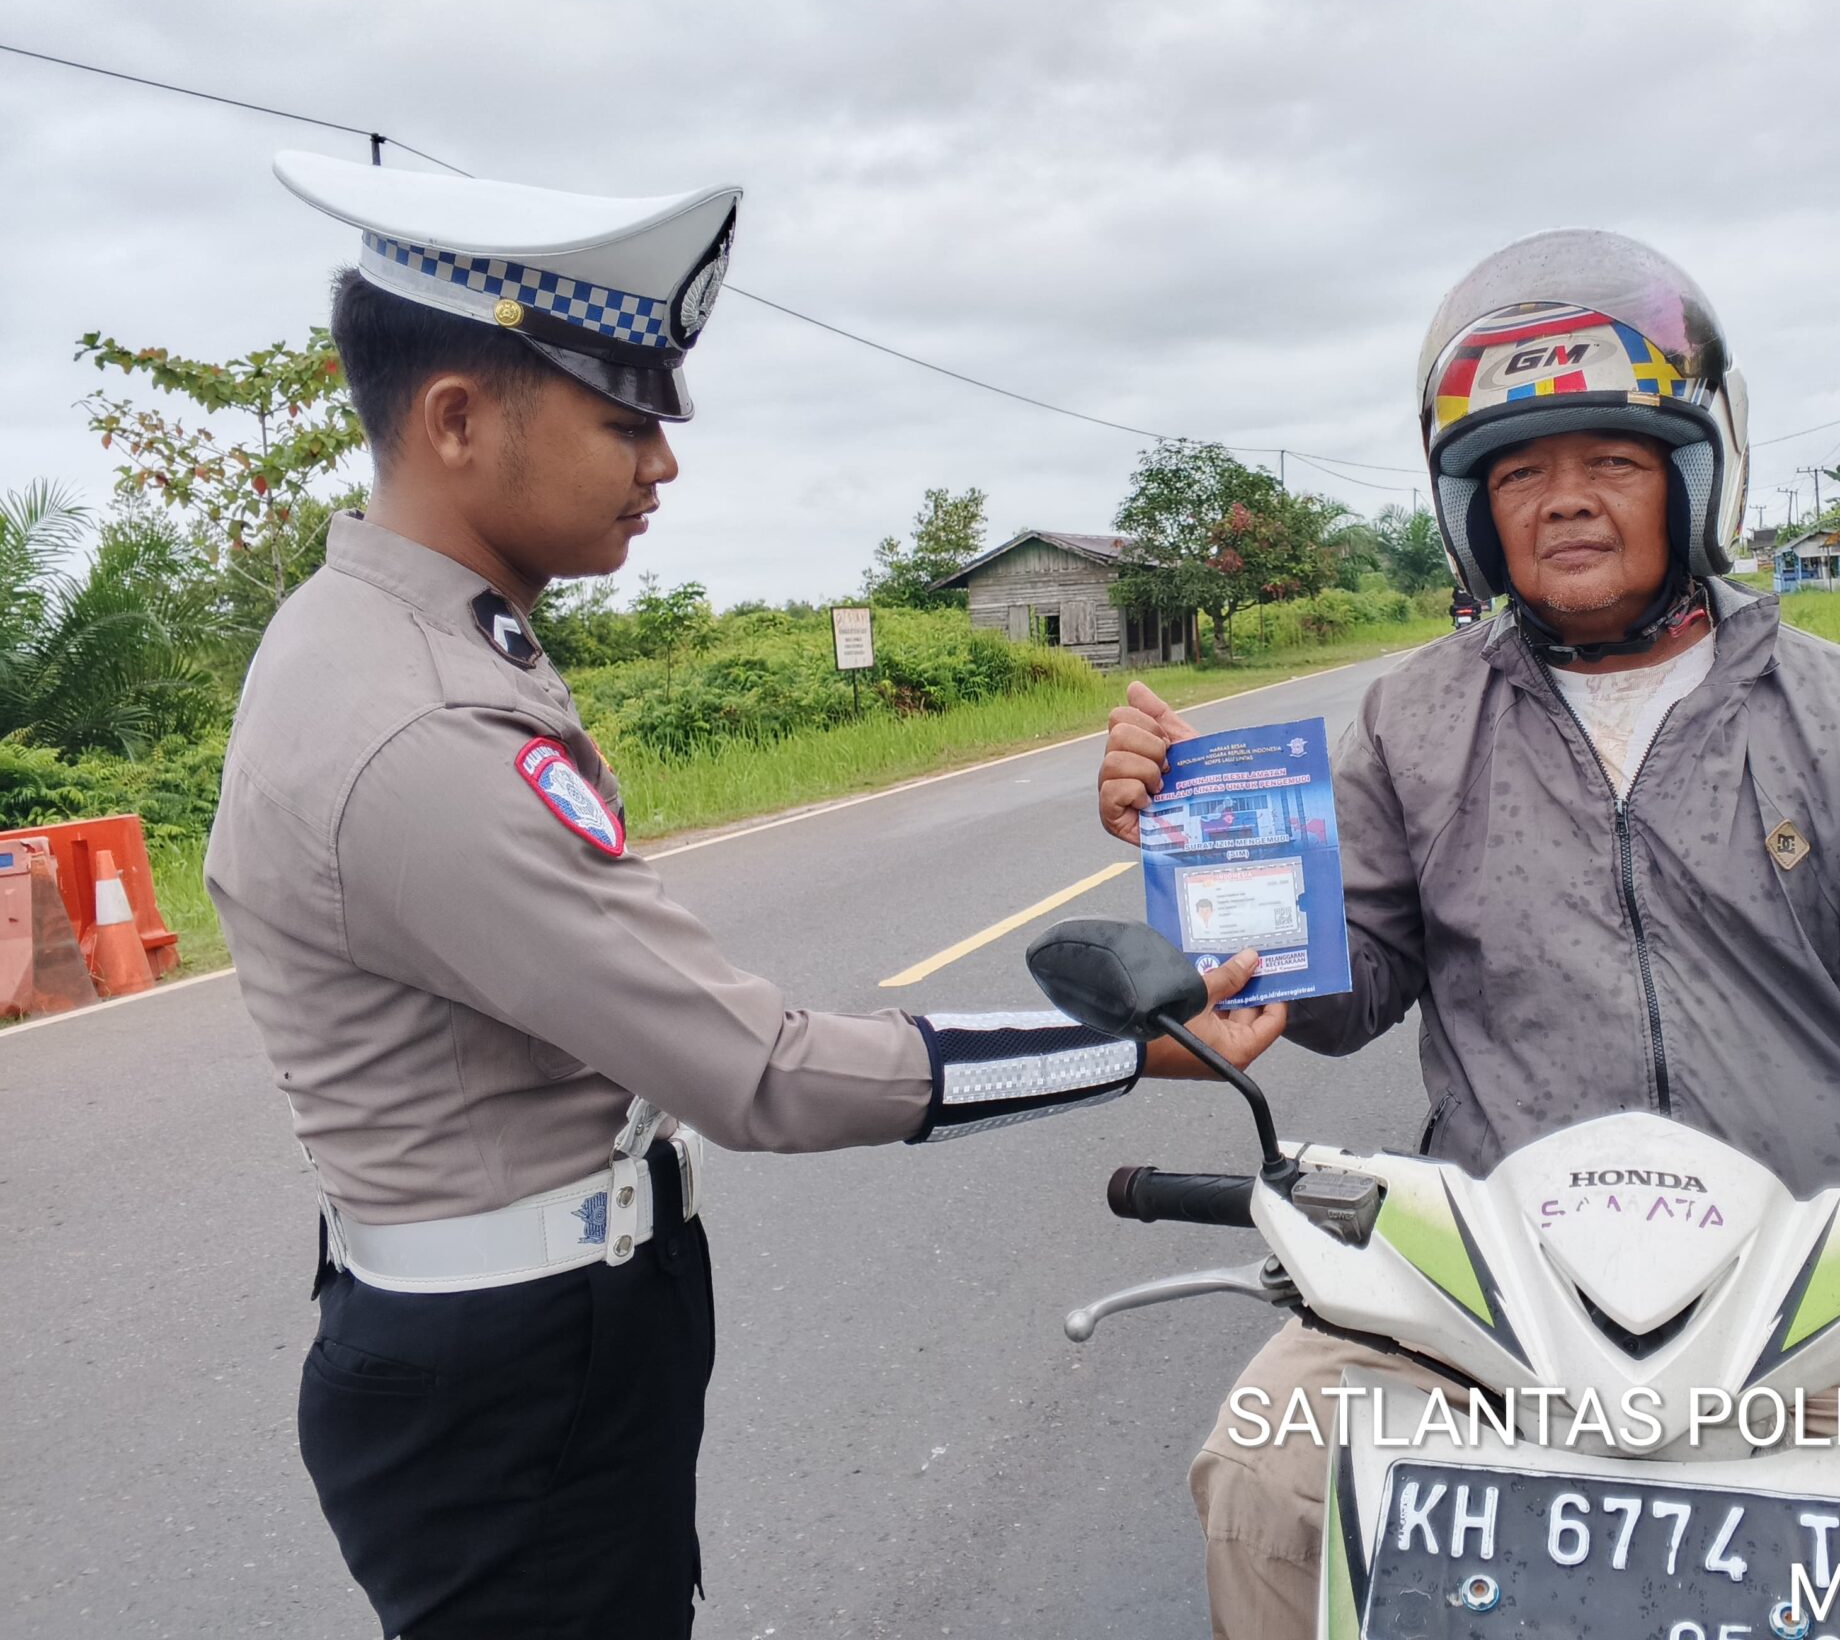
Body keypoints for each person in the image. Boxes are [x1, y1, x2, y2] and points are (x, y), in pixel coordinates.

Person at [208, 152, 1284, 1640]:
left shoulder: (389, 640)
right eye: (622, 417)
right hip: (512, 1380)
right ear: (457, 420)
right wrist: (1126, 1049)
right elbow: (757, 1071)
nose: (661, 463)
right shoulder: (423, 730)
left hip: (525, 1336)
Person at [1096, 230, 1840, 1640]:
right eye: (1519, 472)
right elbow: (1352, 983)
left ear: (1690, 478)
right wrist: (1210, 877)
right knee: (1268, 1480)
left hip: (1826, 1282)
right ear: (1473, 511)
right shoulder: (1414, 719)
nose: (1563, 502)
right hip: (1499, 1288)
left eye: (1609, 461)